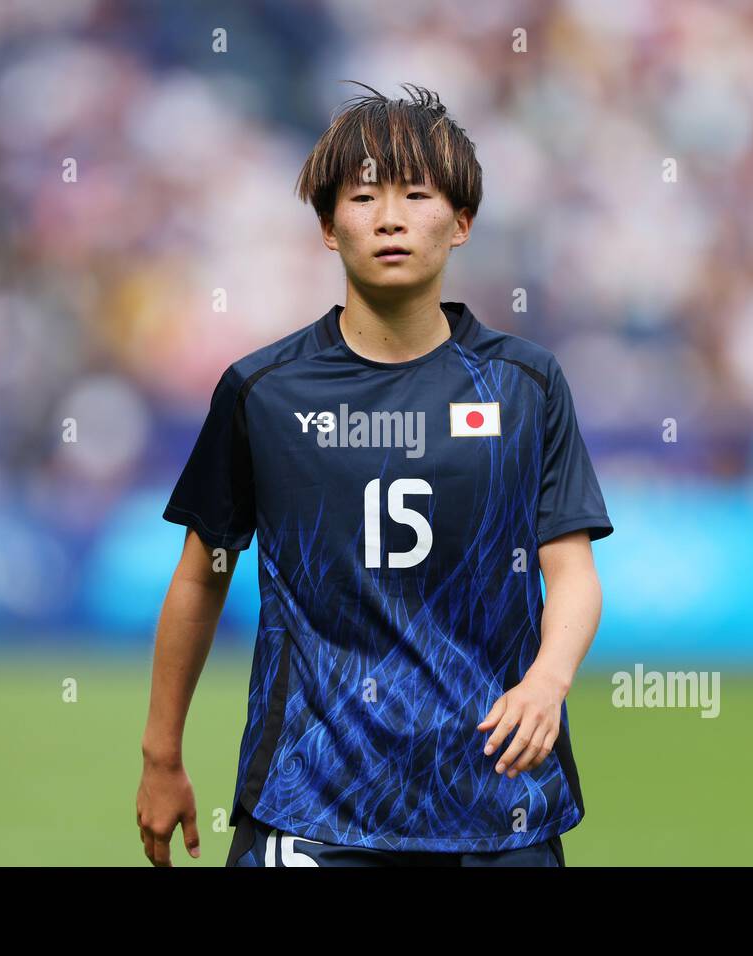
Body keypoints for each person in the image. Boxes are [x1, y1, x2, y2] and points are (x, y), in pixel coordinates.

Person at [136, 82, 612, 867]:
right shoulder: (263, 392)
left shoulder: (526, 386)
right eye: (363, 197)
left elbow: (573, 571)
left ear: (461, 223)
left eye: (417, 194)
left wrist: (547, 683)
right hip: (309, 804)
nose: (390, 217)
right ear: (329, 227)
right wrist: (161, 757)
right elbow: (202, 576)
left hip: (497, 803)